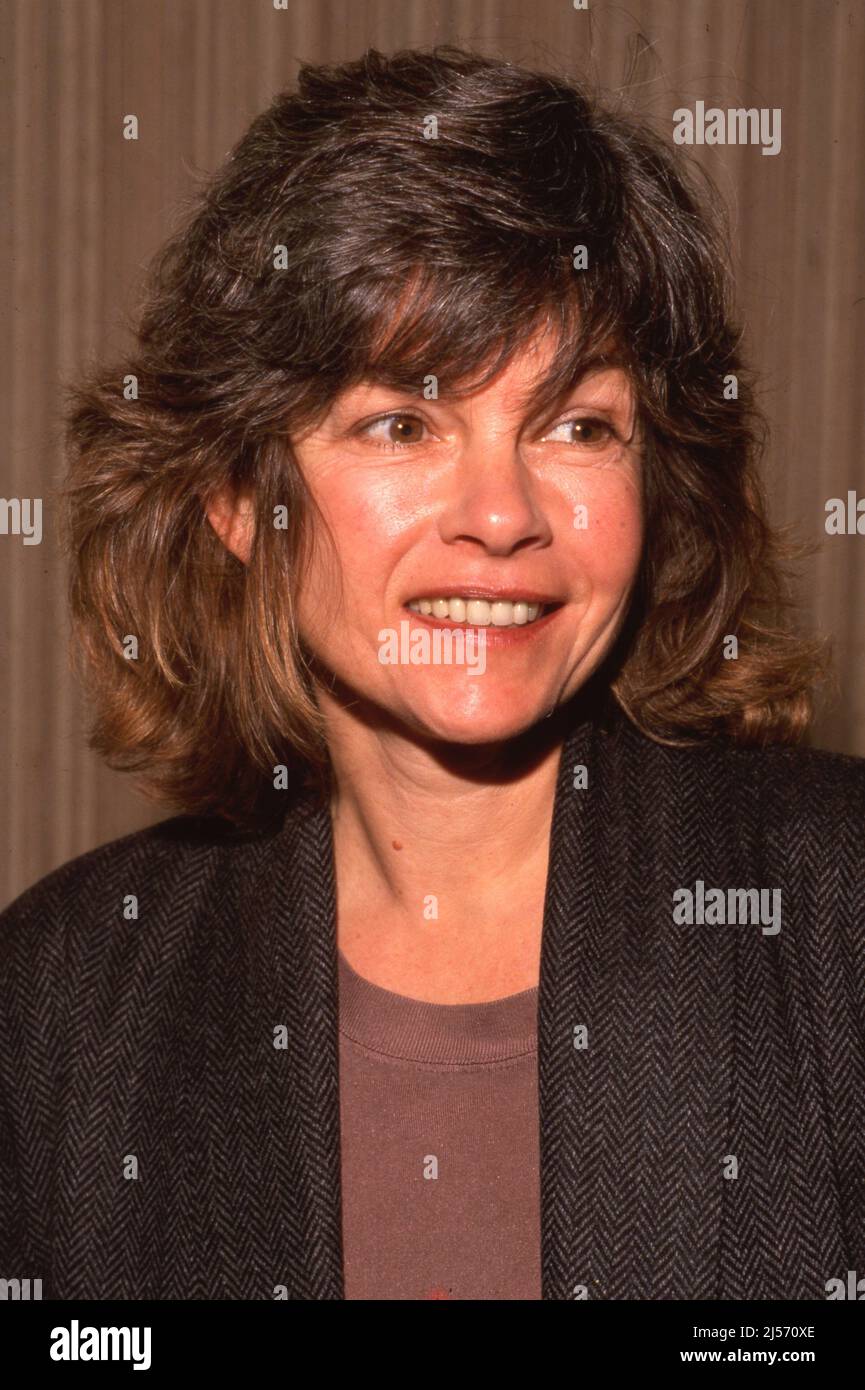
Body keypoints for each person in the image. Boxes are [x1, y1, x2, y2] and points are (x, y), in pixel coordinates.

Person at [1, 45, 863, 1302]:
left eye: (577, 425)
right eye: (402, 423)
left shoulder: (836, 926)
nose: (501, 514)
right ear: (238, 495)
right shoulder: (57, 1006)